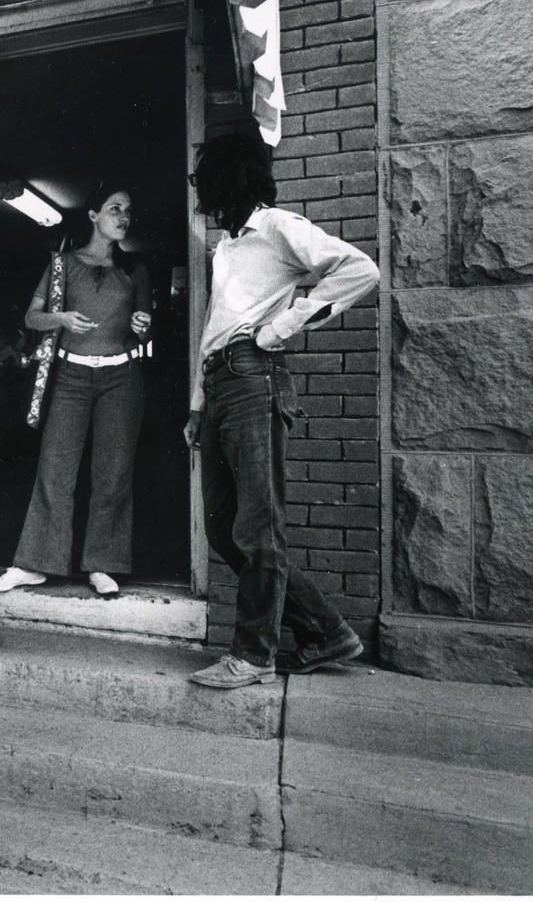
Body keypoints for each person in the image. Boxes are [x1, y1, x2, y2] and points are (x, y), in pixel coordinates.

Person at [183, 132, 378, 689]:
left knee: (256, 528)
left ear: (229, 180)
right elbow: (215, 326)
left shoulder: (276, 227)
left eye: (210, 182)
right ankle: (327, 632)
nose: (207, 197)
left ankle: (253, 655)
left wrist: (282, 328)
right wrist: (199, 402)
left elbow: (360, 269)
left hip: (254, 376)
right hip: (222, 382)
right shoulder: (229, 246)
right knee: (225, 530)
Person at [0, 181, 152, 597]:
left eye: (127, 210)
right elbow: (31, 318)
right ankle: (34, 564)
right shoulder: (61, 265)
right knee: (55, 470)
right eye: (114, 208)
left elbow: (148, 324)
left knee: (113, 472)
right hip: (71, 376)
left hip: (121, 376)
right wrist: (61, 320)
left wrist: (143, 325)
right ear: (94, 215)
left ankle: (102, 565)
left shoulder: (135, 269)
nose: (123, 216)